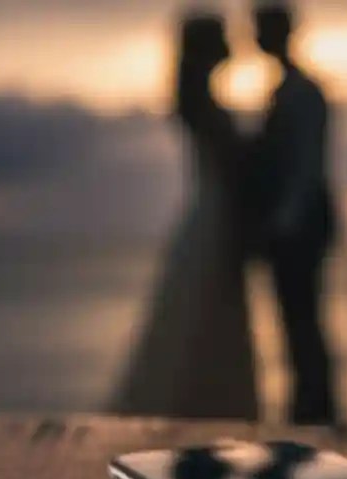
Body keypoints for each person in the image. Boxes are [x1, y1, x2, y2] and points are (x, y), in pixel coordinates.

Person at [109, 14, 259, 420]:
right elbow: (232, 165)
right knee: (206, 313)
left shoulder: (198, 102)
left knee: (204, 313)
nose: (233, 40)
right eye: (223, 36)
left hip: (210, 213)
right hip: (215, 216)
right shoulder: (205, 106)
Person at [249, 2, 341, 425]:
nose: (254, 37)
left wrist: (284, 222)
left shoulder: (302, 92)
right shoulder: (288, 89)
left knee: (302, 319)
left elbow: (306, 164)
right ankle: (309, 405)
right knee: (298, 319)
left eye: (261, 28)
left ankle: (315, 409)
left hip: (300, 227)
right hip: (297, 223)